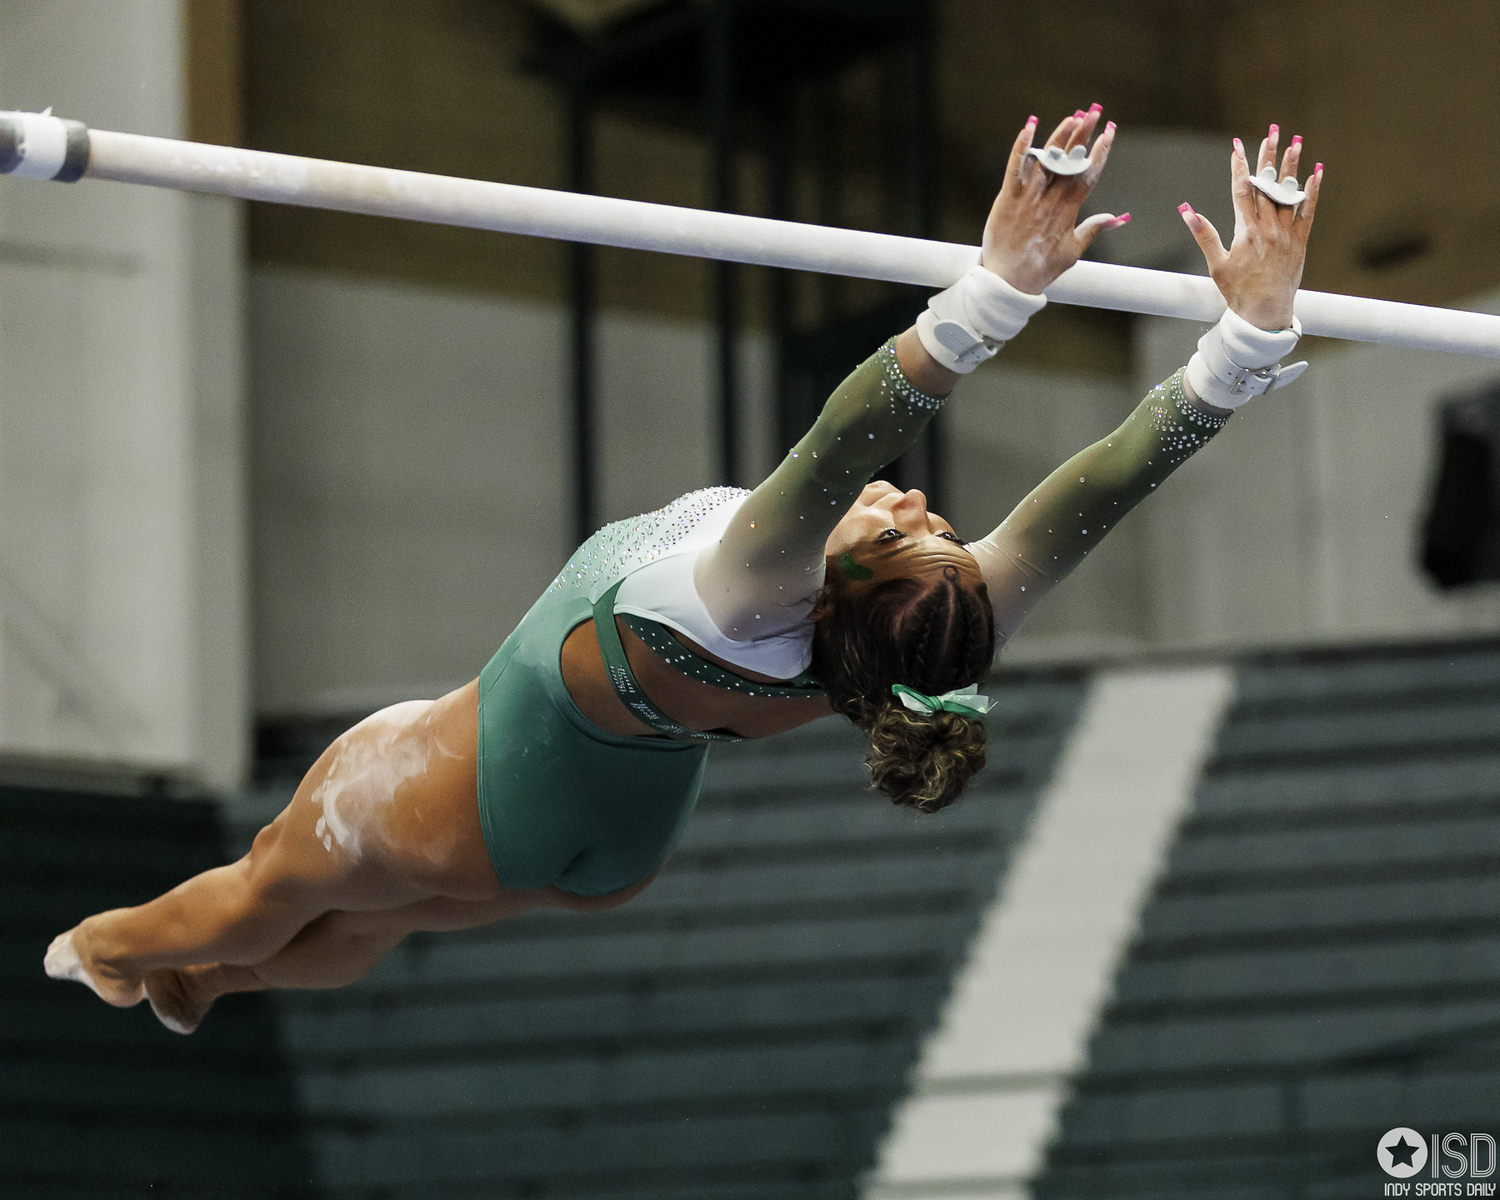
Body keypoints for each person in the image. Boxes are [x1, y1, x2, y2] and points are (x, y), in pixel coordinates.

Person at [45, 108, 1320, 1034]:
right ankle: (212, 988)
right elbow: (1104, 484)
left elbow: (854, 435)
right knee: (383, 923)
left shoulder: (757, 584)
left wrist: (998, 287)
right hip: (607, 852)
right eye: (934, 520)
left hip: (484, 791)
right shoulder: (922, 632)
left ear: (841, 581)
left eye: (901, 526)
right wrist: (1246, 341)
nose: (918, 501)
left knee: (279, 873)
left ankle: (104, 952)